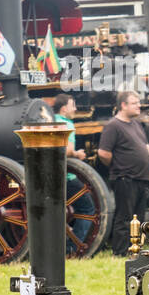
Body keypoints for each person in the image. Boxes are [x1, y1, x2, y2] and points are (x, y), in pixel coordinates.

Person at [97, 88, 149, 256]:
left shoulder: (136, 124)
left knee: (138, 218)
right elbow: (103, 153)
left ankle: (134, 249)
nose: (139, 106)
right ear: (123, 105)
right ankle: (119, 252)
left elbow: (147, 149)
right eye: (134, 103)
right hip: (125, 178)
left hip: (142, 178)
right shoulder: (113, 126)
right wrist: (119, 166)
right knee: (125, 218)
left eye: (138, 103)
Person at [53, 93, 95, 253]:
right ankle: (71, 248)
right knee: (88, 208)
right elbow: (67, 151)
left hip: (50, 177)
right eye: (73, 106)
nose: (75, 109)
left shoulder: (50, 121)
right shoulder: (66, 124)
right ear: (64, 108)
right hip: (66, 176)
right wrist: (78, 154)